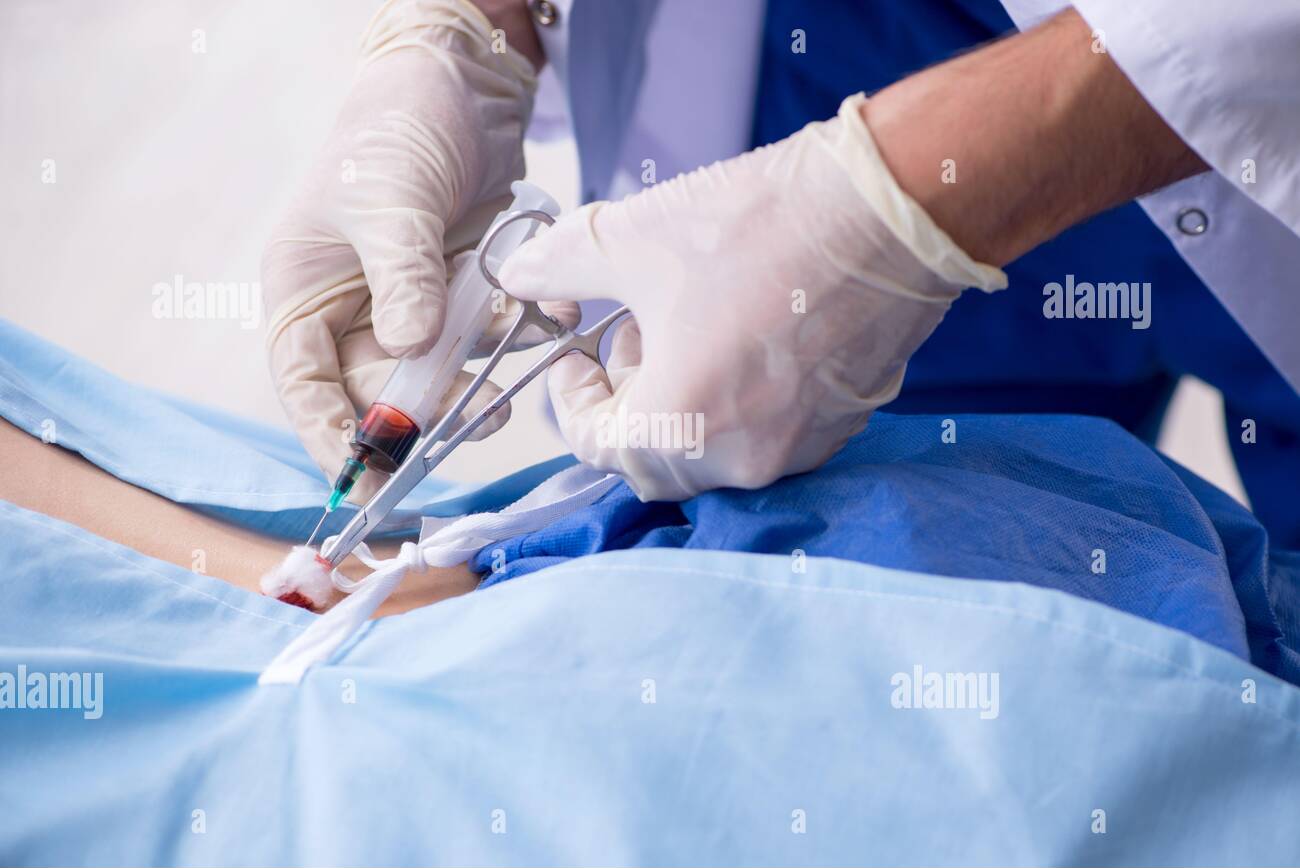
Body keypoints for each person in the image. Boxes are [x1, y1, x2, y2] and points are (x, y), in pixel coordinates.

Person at [262, 0, 1300, 541]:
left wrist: (886, 207)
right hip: (806, 70)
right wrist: (460, 32)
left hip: (1242, 77)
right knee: (907, 559)